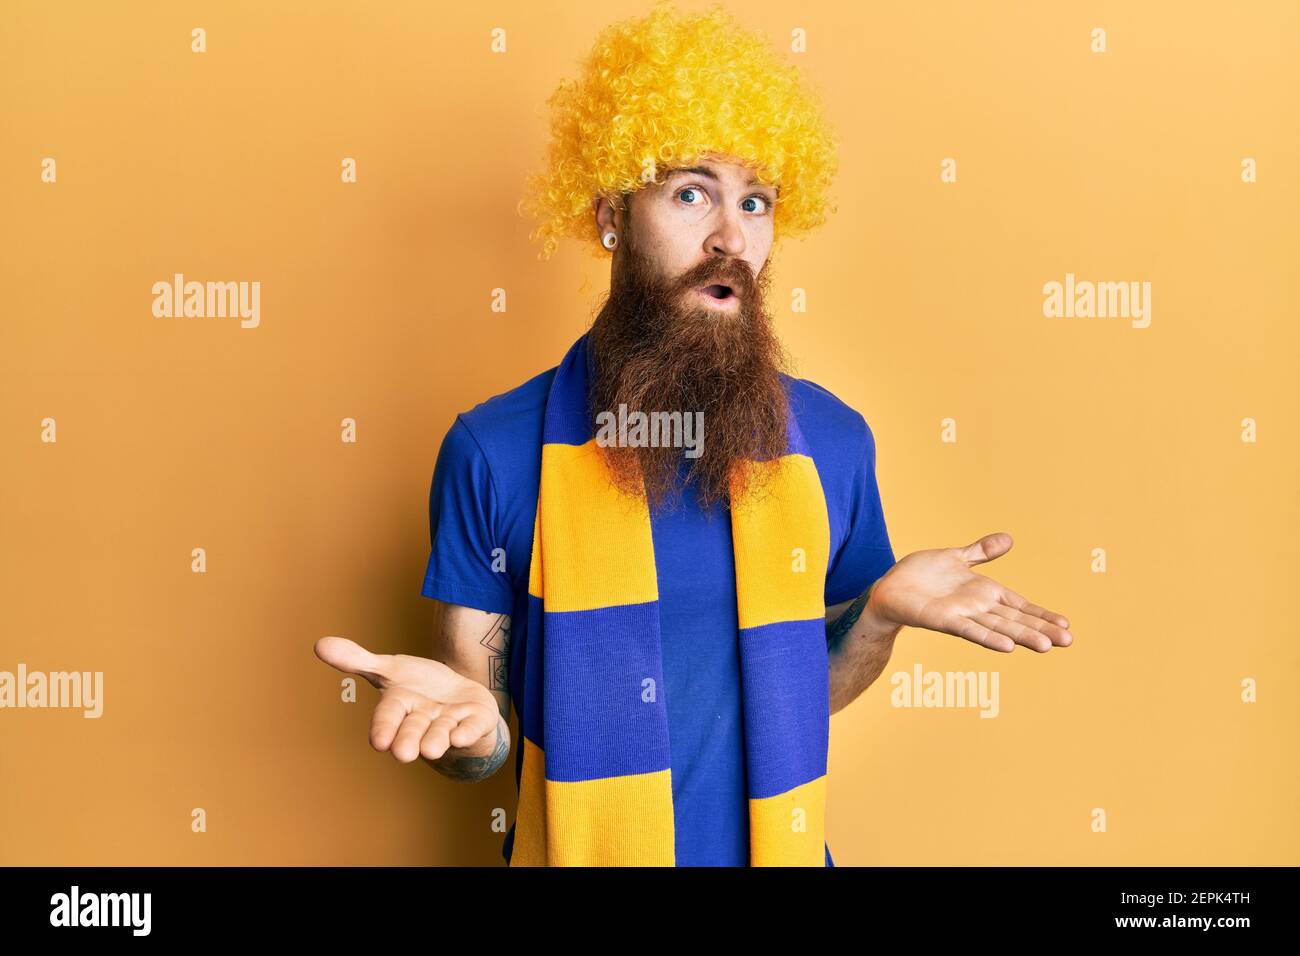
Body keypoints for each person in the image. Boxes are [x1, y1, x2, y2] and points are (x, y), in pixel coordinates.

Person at [314, 0, 1073, 867]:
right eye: (690, 193)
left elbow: (796, 702)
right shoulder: (493, 449)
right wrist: (466, 729)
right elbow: (481, 737)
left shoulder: (831, 439)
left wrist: (877, 624)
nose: (730, 236)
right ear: (609, 216)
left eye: (756, 202)